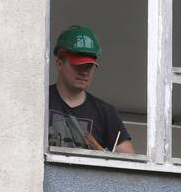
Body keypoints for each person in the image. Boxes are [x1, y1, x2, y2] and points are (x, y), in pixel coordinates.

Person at [47, 24, 135, 153]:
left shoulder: (105, 112)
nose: (84, 72)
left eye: (89, 66)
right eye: (78, 65)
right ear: (59, 64)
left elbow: (129, 161)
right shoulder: (40, 100)